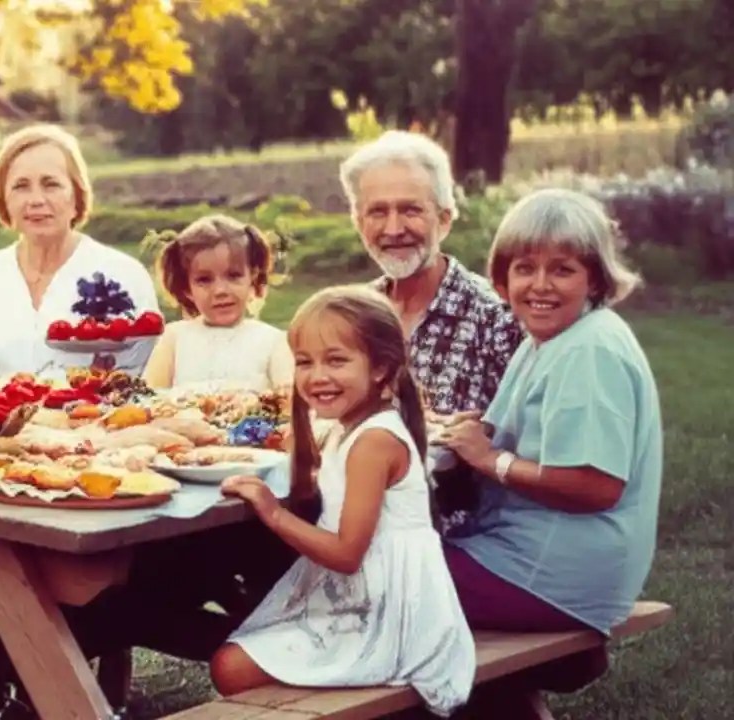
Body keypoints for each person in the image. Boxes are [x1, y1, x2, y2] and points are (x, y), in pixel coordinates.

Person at [210, 285, 474, 718]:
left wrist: (272, 512)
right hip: (365, 598)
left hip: (390, 616)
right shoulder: (353, 426)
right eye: (304, 362)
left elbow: (348, 553)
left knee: (229, 666)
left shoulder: (374, 442)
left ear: (381, 367)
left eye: (336, 360)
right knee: (237, 650)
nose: (317, 377)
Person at [440, 189, 661, 686]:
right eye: (524, 268)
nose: (540, 285)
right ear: (503, 277)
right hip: (543, 565)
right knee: (387, 566)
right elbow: (509, 429)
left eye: (562, 269)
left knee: (378, 580)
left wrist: (491, 460)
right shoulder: (552, 335)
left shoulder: (589, 351)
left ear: (596, 279)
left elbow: (596, 486)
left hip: (556, 578)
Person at [339, 130, 523, 530]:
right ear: (358, 222)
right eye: (377, 212)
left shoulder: (495, 318)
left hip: (453, 530)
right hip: (345, 506)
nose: (393, 228)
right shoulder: (353, 316)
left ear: (444, 218)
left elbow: (530, 448)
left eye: (410, 210)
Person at [0, 124, 161, 380]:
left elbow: (150, 376)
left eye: (51, 184)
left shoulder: (124, 274)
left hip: (95, 417)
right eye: (21, 186)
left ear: (77, 196)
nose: (36, 200)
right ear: (3, 200)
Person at [142, 215, 293, 392]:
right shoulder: (174, 338)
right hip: (182, 419)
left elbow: (289, 398)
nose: (220, 290)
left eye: (233, 276)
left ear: (252, 276)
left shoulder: (273, 341)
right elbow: (149, 398)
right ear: (186, 288)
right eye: (204, 280)